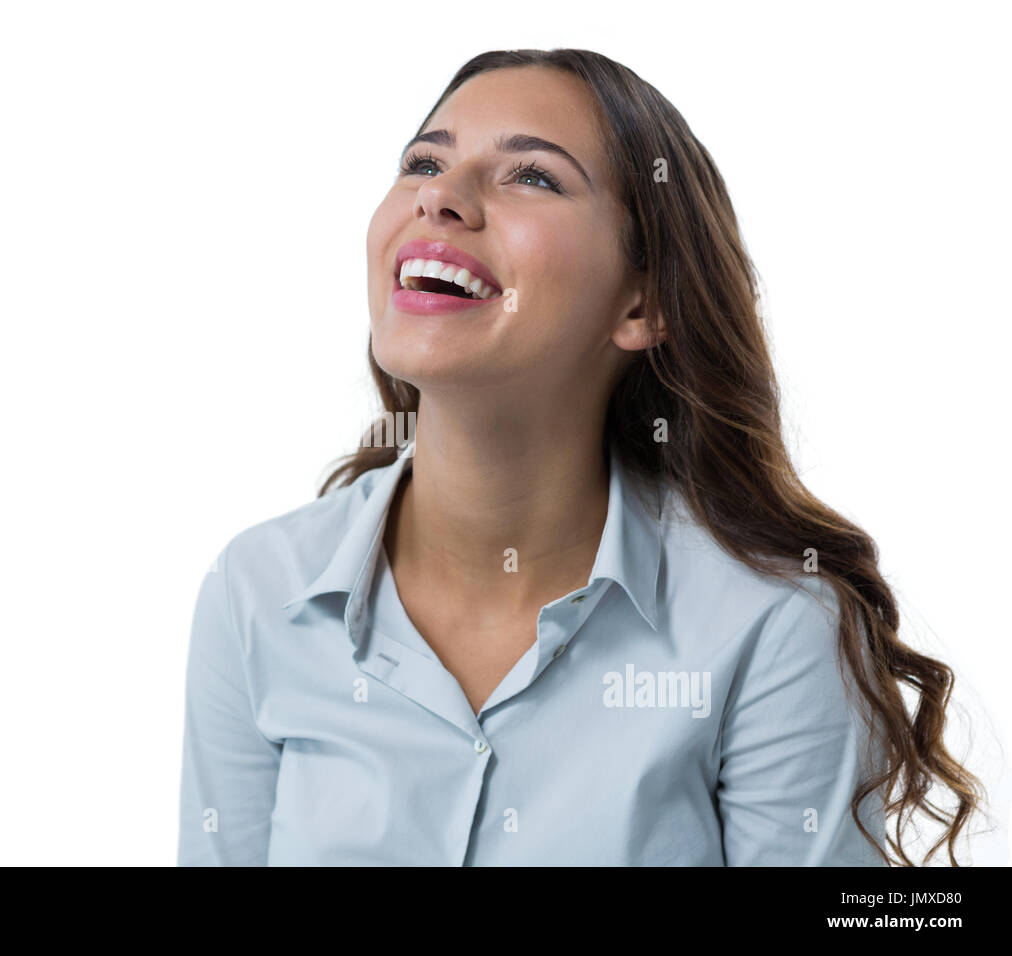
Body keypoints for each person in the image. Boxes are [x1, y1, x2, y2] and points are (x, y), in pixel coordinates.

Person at [177, 48, 984, 866]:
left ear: (642, 304)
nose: (440, 198)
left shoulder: (774, 629)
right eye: (425, 160)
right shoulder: (256, 594)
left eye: (531, 176)